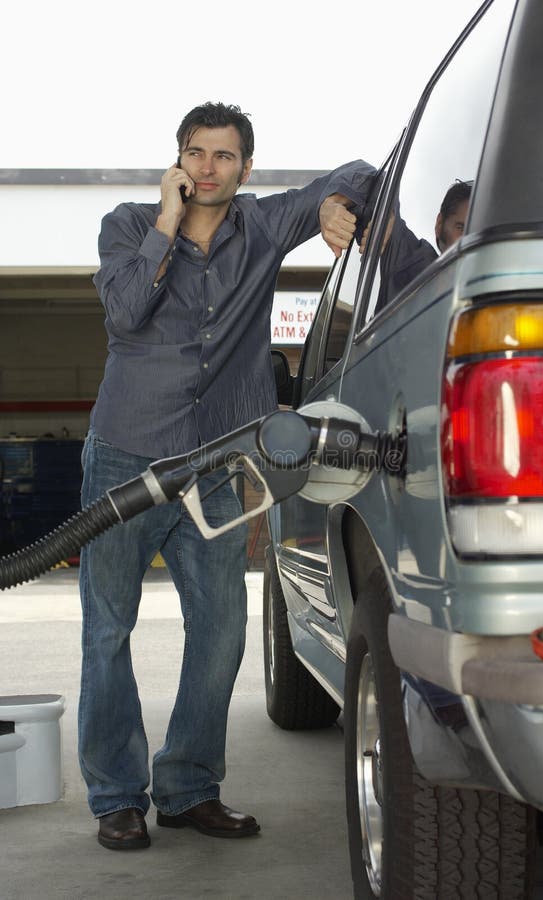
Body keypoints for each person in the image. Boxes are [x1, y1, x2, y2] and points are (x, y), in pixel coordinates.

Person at [80, 101, 376, 851]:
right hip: (125, 455)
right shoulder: (127, 225)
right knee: (108, 629)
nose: (208, 168)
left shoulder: (266, 225)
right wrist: (166, 226)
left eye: (223, 156)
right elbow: (124, 314)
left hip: (215, 464)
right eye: (195, 154)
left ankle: (186, 788)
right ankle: (117, 796)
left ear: (246, 165)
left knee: (221, 630)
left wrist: (342, 206)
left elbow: (362, 171)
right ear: (177, 161)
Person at [370, 179, 473, 311]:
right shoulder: (406, 260)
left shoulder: (492, 305)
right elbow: (377, 183)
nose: (470, 240)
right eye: (461, 228)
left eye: (477, 232)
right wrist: (387, 214)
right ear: (440, 223)